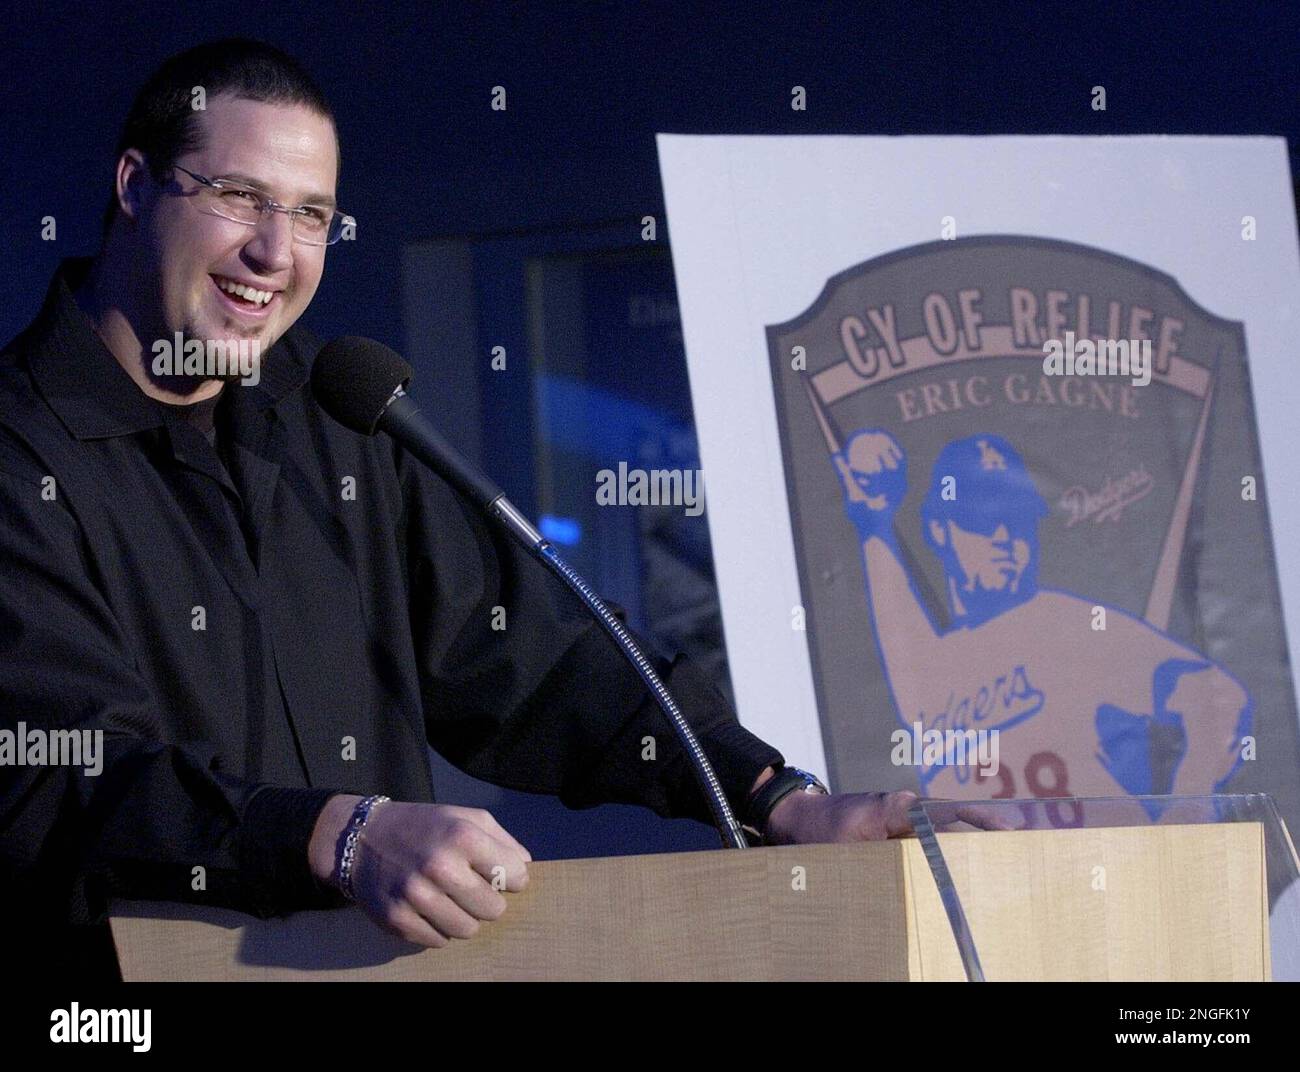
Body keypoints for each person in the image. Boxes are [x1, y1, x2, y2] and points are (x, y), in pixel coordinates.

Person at [0, 39, 922, 982]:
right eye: (238, 196)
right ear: (133, 185)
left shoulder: (334, 415)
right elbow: (59, 778)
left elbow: (539, 664)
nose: (274, 251)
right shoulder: (18, 455)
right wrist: (334, 836)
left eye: (312, 215)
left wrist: (775, 795)